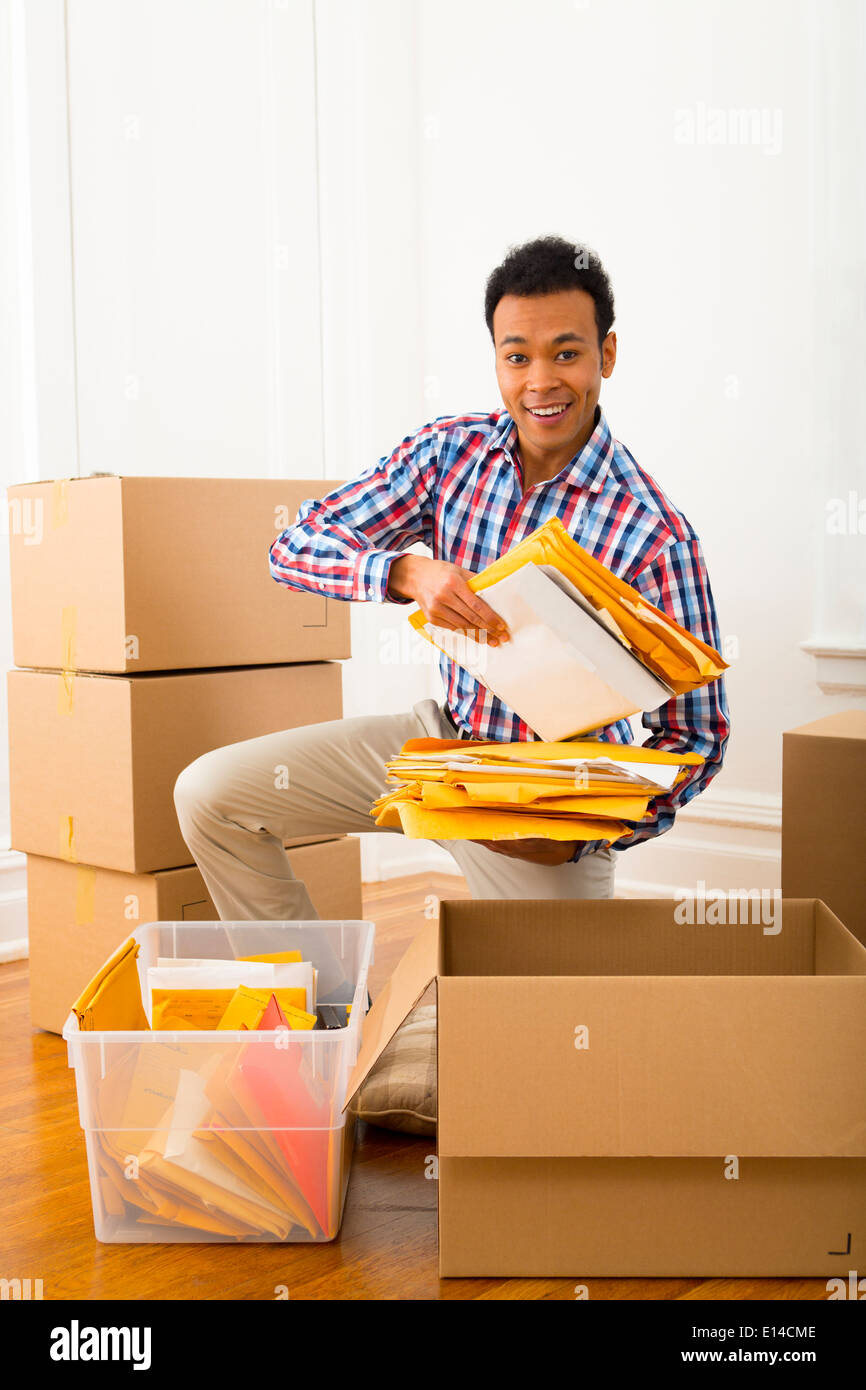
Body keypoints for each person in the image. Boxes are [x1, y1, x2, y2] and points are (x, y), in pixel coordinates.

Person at [174, 236, 730, 917]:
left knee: (545, 1021)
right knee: (211, 795)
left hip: (549, 806)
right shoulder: (449, 452)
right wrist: (404, 569)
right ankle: (312, 1010)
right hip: (443, 749)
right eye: (516, 356)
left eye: (567, 353)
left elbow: (698, 735)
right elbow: (295, 545)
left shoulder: (655, 535)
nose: (539, 382)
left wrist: (593, 835)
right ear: (496, 359)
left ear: (606, 356)